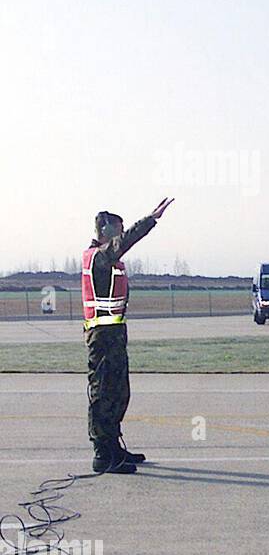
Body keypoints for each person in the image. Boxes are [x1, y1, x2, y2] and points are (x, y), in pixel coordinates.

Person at [82, 198, 174, 474]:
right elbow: (126, 242)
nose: (121, 237)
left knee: (119, 393)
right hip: (101, 336)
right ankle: (102, 453)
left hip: (114, 334)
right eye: (118, 232)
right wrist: (150, 219)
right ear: (106, 231)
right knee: (103, 393)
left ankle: (113, 446)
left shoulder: (109, 259)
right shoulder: (98, 257)